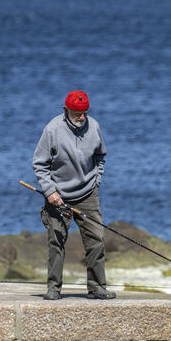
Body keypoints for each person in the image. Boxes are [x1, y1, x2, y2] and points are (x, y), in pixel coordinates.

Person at [31, 90, 115, 300]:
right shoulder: (52, 129)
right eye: (77, 113)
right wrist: (50, 192)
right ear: (66, 110)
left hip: (88, 193)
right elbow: (39, 164)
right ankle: (53, 288)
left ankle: (97, 288)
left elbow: (101, 157)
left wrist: (96, 181)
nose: (81, 117)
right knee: (56, 241)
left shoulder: (94, 126)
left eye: (84, 112)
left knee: (96, 240)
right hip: (58, 196)